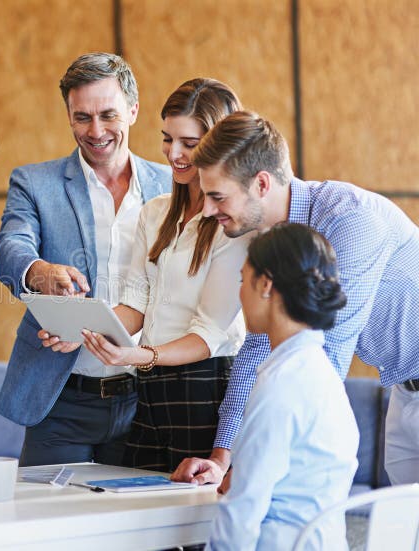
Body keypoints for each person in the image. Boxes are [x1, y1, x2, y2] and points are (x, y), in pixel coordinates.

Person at [171, 110, 419, 487]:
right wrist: (222, 457)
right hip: (406, 391)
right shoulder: (271, 242)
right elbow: (257, 348)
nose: (207, 210)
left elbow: (325, 356)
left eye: (217, 196)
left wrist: (255, 466)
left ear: (262, 184)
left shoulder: (350, 219)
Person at [41, 78, 250, 473]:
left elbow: (209, 335)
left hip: (206, 386)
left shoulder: (233, 222)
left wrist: (140, 355)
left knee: (191, 522)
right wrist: (80, 329)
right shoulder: (154, 213)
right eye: (168, 139)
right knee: (139, 508)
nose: (174, 154)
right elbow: (136, 303)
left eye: (190, 143)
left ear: (221, 144)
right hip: (151, 388)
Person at [0, 52, 171, 466]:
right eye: (82, 117)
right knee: (47, 525)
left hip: (145, 402)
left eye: (108, 115)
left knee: (135, 528)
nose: (96, 131)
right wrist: (38, 271)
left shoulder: (170, 186)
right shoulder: (34, 182)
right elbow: (9, 249)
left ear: (133, 110)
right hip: (59, 400)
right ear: (69, 116)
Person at [206, 223, 358, 551]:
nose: (240, 292)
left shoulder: (281, 383)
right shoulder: (322, 372)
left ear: (265, 284)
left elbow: (243, 507)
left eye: (242, 279)